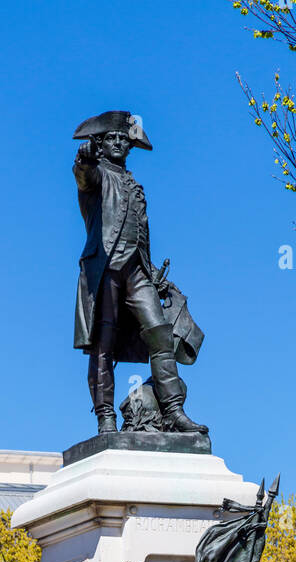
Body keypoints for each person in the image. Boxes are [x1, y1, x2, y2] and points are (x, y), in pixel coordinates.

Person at [72, 110, 208, 436]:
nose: (118, 143)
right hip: (104, 269)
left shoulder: (133, 183)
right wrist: (84, 159)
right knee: (102, 345)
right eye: (111, 138)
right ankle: (106, 419)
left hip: (136, 271)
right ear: (100, 144)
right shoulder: (97, 175)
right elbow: (83, 175)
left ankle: (174, 411)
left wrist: (152, 271)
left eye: (123, 138)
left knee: (160, 331)